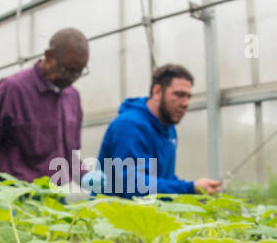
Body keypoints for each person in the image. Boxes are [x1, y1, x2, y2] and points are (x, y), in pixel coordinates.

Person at [0, 28, 87, 183]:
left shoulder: (72, 97)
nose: (72, 79)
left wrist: (84, 175)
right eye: (66, 70)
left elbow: (71, 157)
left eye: (78, 72)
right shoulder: (13, 90)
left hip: (57, 201)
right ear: (48, 56)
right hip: (21, 200)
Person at [92, 64, 221, 197]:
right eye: (179, 94)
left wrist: (193, 190)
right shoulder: (129, 125)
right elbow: (130, 184)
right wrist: (189, 188)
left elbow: (164, 178)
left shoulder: (169, 130)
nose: (185, 103)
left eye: (188, 97)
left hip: (145, 214)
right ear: (157, 91)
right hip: (111, 215)